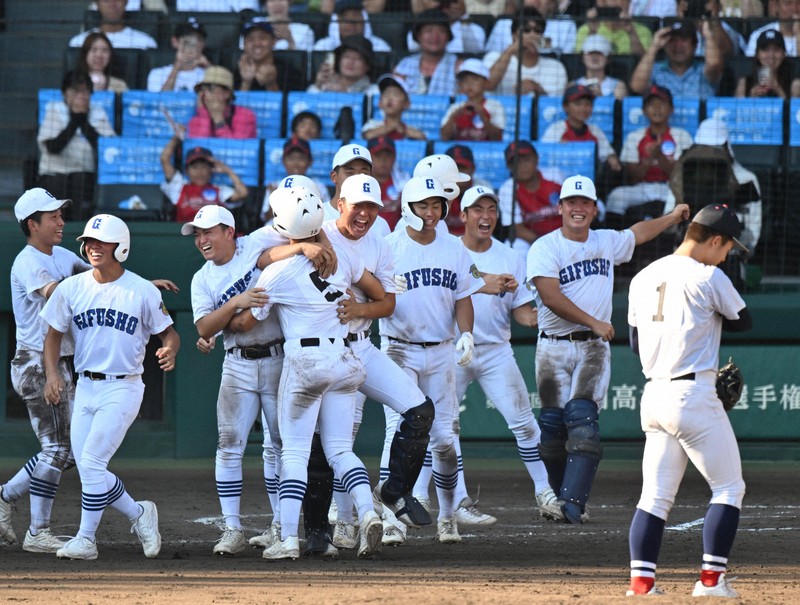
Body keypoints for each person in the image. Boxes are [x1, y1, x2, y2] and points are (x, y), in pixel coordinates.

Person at [227, 186, 384, 561]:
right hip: (344, 358)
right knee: (340, 450)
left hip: (306, 361)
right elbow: (378, 293)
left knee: (295, 453)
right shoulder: (342, 257)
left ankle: (288, 539)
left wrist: (223, 318)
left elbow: (246, 323)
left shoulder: (276, 273)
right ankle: (367, 513)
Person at [526, 174, 689, 524]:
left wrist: (673, 217)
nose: (578, 209)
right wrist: (593, 321)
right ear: (560, 208)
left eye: (585, 203)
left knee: (582, 423)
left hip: (592, 349)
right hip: (553, 347)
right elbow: (550, 297)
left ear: (594, 209)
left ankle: (572, 504)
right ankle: (556, 497)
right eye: (572, 202)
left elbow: (637, 233)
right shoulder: (544, 247)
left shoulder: (604, 241)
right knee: (552, 429)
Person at [626, 203, 751, 597]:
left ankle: (642, 584)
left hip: (654, 395)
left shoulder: (643, 276)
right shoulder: (708, 275)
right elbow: (744, 321)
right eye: (727, 246)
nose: (727, 254)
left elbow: (634, 343)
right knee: (729, 488)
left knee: (655, 497)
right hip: (692, 393)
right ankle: (711, 582)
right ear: (714, 240)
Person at [41, 214, 180, 560]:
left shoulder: (142, 290)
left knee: (91, 462)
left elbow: (170, 333)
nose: (92, 247)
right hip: (85, 387)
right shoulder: (71, 288)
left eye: (101, 242)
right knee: (90, 467)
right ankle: (139, 512)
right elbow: (52, 337)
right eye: (88, 242)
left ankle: (86, 540)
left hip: (123, 387)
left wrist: (170, 350)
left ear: (121, 246)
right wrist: (52, 375)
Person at [181, 204, 309, 555]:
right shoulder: (202, 278)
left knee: (279, 445)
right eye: (197, 234)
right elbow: (204, 327)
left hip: (278, 356)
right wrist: (235, 302)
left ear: (229, 232)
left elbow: (294, 230)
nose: (202, 240)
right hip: (237, 362)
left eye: (208, 232)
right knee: (228, 443)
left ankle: (281, 525)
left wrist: (302, 247)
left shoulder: (255, 242)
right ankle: (232, 528)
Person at [380, 175, 484, 543]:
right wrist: (382, 292)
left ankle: (448, 516)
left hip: (441, 350)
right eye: (423, 205)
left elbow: (464, 297)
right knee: (396, 431)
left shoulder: (454, 247)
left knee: (443, 439)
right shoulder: (388, 247)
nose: (431, 212)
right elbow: (366, 293)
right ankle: (392, 520)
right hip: (398, 348)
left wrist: (467, 332)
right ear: (408, 206)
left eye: (436, 205)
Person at [454, 185, 561, 520]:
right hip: (452, 349)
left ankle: (545, 491)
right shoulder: (450, 250)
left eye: (491, 210)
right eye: (478, 209)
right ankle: (452, 499)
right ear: (463, 215)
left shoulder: (511, 256)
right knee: (444, 428)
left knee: (524, 423)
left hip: (496, 351)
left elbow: (522, 310)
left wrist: (538, 318)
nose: (486, 216)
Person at [0, 190, 89, 553]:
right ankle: (37, 531)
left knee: (70, 451)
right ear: (32, 224)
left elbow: (104, 278)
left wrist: (140, 286)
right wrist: (97, 280)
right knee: (57, 449)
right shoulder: (27, 261)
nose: (61, 222)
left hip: (59, 362)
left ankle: (5, 496)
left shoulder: (63, 255)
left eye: (60, 215)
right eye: (52, 217)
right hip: (37, 363)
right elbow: (58, 292)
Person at [604, 85, 692, 224]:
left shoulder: (682, 135)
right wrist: (649, 158)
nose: (657, 109)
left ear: (671, 109)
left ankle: (673, 234)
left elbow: (680, 176)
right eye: (652, 105)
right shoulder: (635, 136)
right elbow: (633, 177)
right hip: (642, 187)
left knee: (685, 200)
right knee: (616, 197)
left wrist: (660, 157)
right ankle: (615, 235)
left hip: (670, 188)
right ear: (644, 110)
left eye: (662, 104)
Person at [37, 70, 116, 222]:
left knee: (81, 182)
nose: (81, 96)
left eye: (85, 91)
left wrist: (83, 120)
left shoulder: (98, 111)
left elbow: (106, 149)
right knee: (58, 183)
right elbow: (53, 148)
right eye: (75, 91)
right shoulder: (54, 109)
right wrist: (74, 121)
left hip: (85, 172)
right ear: (65, 94)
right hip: (54, 172)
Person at [484, 6, 569, 97]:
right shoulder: (493, 57)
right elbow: (487, 86)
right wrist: (509, 51)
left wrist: (537, 89)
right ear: (514, 35)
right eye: (526, 30)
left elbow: (556, 103)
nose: (533, 35)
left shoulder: (556, 68)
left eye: (538, 30)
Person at [540, 84, 622, 175]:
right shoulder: (555, 129)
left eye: (588, 104)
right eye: (577, 104)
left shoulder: (595, 130)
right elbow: (544, 159)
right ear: (565, 107)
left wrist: (612, 159)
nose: (583, 108)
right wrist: (561, 149)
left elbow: (608, 154)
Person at [629, 20, 723, 100]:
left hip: (701, 116)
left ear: (694, 45)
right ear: (665, 45)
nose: (678, 45)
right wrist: (654, 45)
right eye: (672, 40)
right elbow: (637, 87)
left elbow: (714, 63)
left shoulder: (703, 69)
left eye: (683, 39)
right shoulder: (655, 69)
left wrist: (707, 35)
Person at [499, 140, 562, 256]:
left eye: (526, 159)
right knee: (513, 245)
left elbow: (573, 208)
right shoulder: (507, 189)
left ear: (536, 159)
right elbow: (517, 228)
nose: (522, 166)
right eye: (516, 162)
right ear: (509, 167)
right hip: (534, 239)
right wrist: (544, 245)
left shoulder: (555, 175)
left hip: (564, 234)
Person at [160, 141, 249, 223]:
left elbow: (243, 193)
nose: (200, 172)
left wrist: (227, 170)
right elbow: (164, 159)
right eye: (195, 167)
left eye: (204, 167)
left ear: (211, 170)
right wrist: (177, 137)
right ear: (187, 171)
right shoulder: (179, 186)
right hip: (185, 232)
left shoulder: (219, 190)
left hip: (212, 234)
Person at [260, 138, 332, 224]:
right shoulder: (275, 186)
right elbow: (266, 217)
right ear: (283, 161)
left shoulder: (319, 187)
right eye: (291, 158)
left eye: (301, 158)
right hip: (278, 228)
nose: (296, 163)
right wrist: (274, 199)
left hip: (309, 228)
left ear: (310, 162)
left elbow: (327, 216)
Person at [394, 9, 459, 95]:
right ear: (418, 35)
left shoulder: (458, 67)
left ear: (448, 36)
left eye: (441, 31)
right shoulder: (404, 65)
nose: (435, 37)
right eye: (429, 31)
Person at [440, 59, 505, 142]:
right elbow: (444, 138)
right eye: (465, 80)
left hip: (486, 149)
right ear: (460, 85)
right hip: (460, 148)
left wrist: (483, 115)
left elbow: (497, 138)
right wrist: (454, 116)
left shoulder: (495, 106)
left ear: (486, 83)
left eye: (475, 79)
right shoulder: (455, 107)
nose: (469, 83)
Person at [235, 17, 306, 92]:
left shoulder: (289, 72)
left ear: (273, 41)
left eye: (262, 38)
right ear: (244, 45)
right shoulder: (235, 74)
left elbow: (296, 99)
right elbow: (232, 99)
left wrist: (271, 84)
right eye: (251, 39)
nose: (257, 43)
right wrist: (246, 82)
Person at [485, 0, 577, 55]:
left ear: (552, 2)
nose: (535, 0)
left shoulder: (566, 24)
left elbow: (568, 61)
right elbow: (491, 58)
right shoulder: (503, 23)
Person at [188, 67, 257, 140]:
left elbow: (235, 146)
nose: (205, 93)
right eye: (203, 88)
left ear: (227, 93)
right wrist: (204, 116)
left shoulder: (245, 116)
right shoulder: (195, 120)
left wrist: (218, 119)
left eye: (211, 88)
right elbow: (198, 145)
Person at [146, 17, 209, 93]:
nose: (193, 45)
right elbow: (161, 99)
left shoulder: (208, 74)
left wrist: (208, 67)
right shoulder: (157, 74)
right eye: (187, 41)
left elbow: (219, 97)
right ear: (175, 42)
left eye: (198, 40)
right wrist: (176, 67)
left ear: (203, 44)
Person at [442, 144, 493, 236]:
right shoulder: (438, 189)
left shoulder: (484, 188)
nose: (458, 173)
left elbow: (488, 223)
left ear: (472, 168)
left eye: (462, 168)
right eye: (454, 169)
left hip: (476, 238)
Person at [736, 29, 800, 98]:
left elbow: (793, 105)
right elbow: (736, 104)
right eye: (765, 49)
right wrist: (751, 98)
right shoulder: (745, 83)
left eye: (776, 49)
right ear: (757, 54)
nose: (771, 55)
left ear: (784, 54)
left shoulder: (795, 83)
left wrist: (777, 88)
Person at [361, 74, 426, 141]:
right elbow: (368, 136)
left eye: (395, 94)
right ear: (380, 103)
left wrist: (403, 129)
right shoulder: (372, 125)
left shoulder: (411, 128)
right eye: (386, 94)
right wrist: (391, 127)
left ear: (407, 103)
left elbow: (422, 137)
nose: (390, 98)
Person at [69, 0, 157, 50]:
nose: (112, 4)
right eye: (106, 0)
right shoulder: (79, 42)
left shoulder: (146, 42)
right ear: (97, 4)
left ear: (126, 2)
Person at [575, 0, 652, 56]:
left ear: (629, 4)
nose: (612, 3)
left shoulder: (643, 31)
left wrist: (632, 32)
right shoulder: (585, 30)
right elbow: (579, 62)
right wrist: (592, 32)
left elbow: (643, 62)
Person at [407, 0, 487, 54]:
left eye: (449, 3)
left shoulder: (475, 28)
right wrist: (424, 14)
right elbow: (413, 47)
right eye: (442, 5)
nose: (445, 9)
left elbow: (475, 51)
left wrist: (463, 16)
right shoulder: (424, 29)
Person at [308, 35, 379, 94]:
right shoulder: (324, 87)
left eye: (358, 58)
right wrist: (318, 86)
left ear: (367, 66)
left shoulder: (374, 91)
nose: (350, 62)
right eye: (347, 57)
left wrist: (345, 92)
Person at [313, 0, 392, 52]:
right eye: (344, 16)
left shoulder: (381, 48)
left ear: (364, 19)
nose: (350, 22)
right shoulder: (322, 47)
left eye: (355, 15)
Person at [366, 136, 409, 230]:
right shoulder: (359, 183)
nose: (383, 160)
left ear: (394, 158)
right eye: (378, 155)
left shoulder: (405, 183)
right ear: (368, 158)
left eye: (388, 156)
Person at [571, 33, 628, 100]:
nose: (595, 57)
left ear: (608, 58)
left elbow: (618, 106)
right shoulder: (572, 85)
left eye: (600, 53)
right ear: (582, 57)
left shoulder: (618, 86)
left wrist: (600, 97)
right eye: (590, 53)